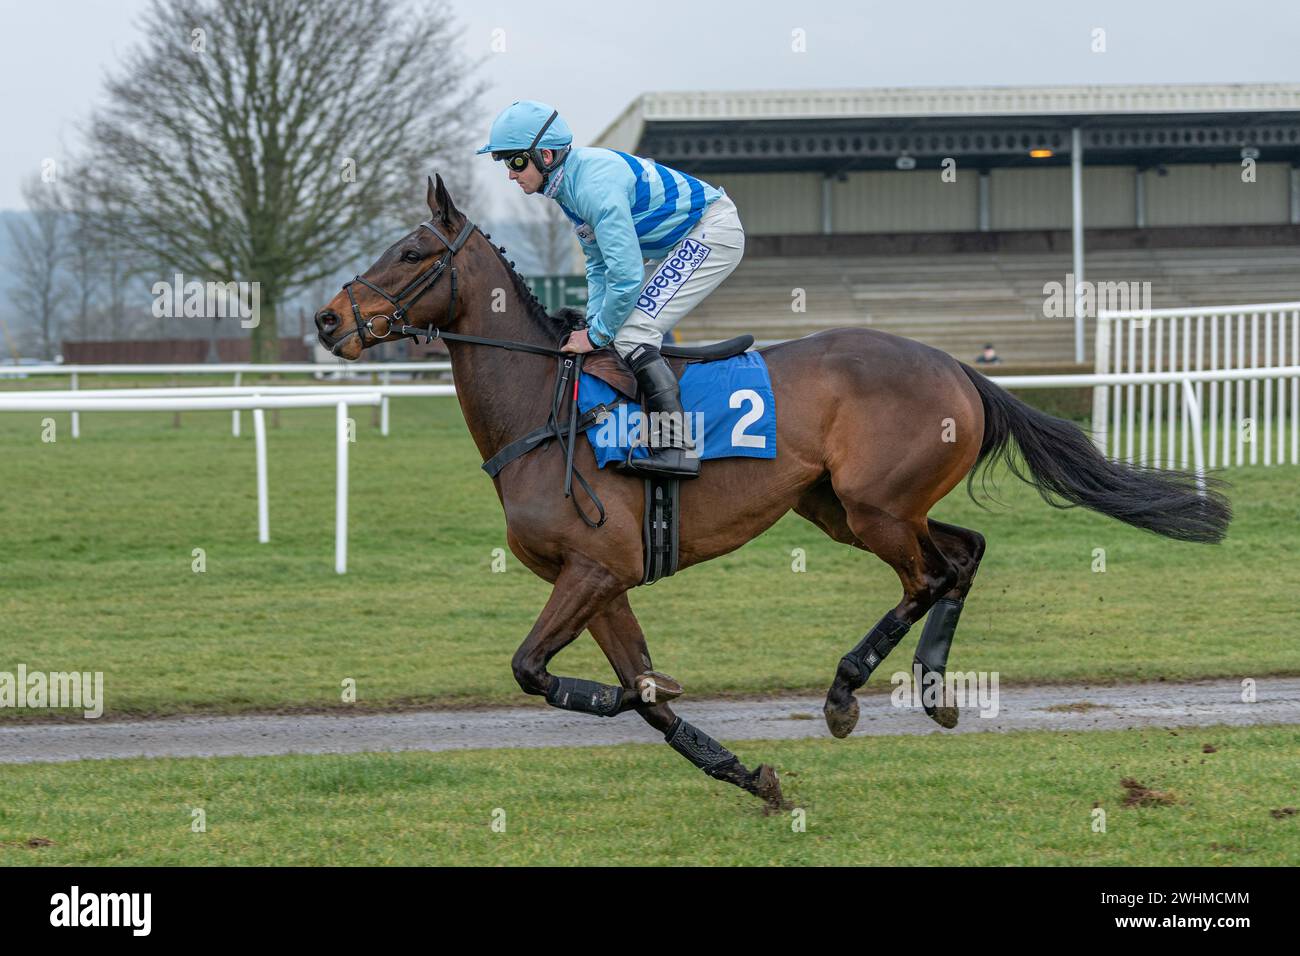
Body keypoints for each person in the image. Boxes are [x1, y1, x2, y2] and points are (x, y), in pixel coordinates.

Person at [478, 100, 746, 478]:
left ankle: (676, 447)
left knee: (633, 330)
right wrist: (594, 325)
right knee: (617, 330)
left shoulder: (592, 186)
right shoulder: (568, 187)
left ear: (547, 155)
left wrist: (597, 334)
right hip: (682, 239)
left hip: (713, 232)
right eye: (505, 163)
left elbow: (625, 277)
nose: (510, 174)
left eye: (516, 162)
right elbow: (598, 265)